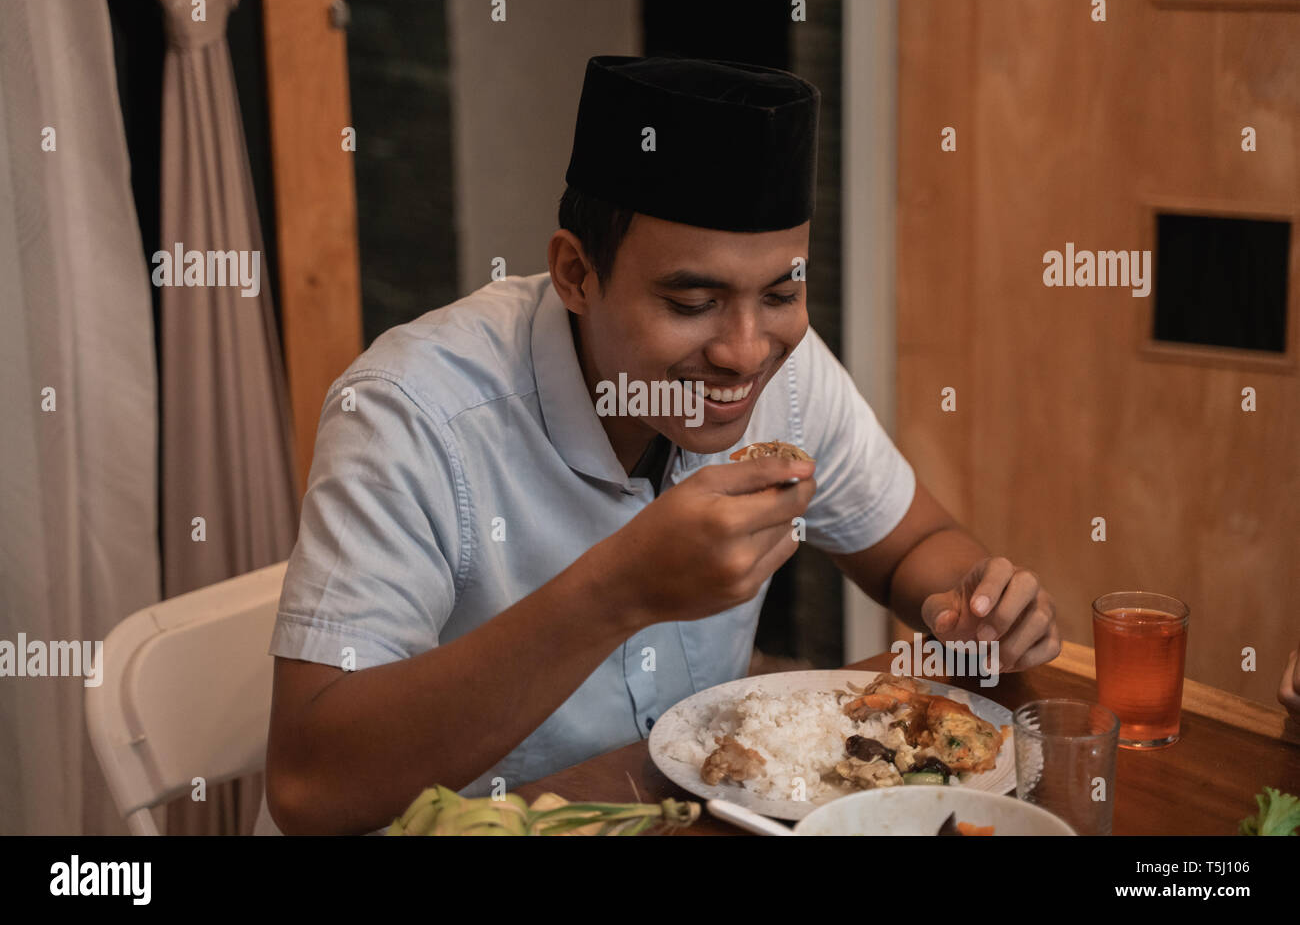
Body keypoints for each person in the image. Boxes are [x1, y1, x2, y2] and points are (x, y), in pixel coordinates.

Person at [259, 56, 1061, 835]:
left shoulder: (787, 367)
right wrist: (620, 592)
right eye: (693, 301)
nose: (745, 351)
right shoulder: (412, 411)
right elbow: (310, 787)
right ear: (576, 274)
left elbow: (911, 544)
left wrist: (972, 608)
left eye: (782, 293)